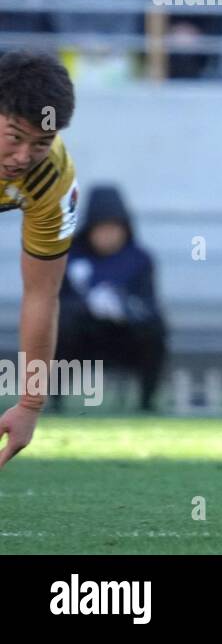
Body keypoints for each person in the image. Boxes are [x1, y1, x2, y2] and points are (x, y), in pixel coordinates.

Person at [0, 51, 79, 468]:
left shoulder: (53, 178)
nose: (23, 157)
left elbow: (42, 294)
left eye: (41, 143)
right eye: (15, 137)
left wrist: (30, 404)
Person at [56, 185, 166, 412]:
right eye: (102, 229)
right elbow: (57, 302)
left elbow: (150, 306)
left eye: (114, 228)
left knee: (155, 331)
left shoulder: (140, 259)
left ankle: (147, 401)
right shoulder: (70, 256)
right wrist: (88, 306)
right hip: (82, 339)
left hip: (125, 339)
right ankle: (54, 399)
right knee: (60, 326)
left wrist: (124, 307)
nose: (108, 235)